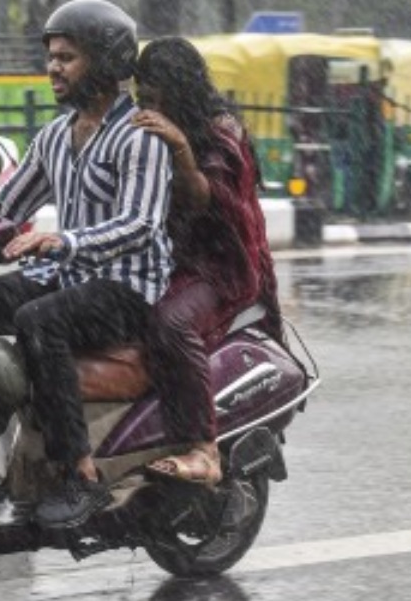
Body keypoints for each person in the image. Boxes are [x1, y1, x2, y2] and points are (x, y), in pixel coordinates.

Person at [0, 0, 173, 529]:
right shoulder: (54, 137)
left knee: (39, 320)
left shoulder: (139, 135)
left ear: (105, 62)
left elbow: (140, 225)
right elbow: (1, 208)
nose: (53, 68)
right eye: (51, 57)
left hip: (127, 287)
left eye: (67, 57)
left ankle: (79, 474)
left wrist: (61, 241)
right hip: (70, 276)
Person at [130, 36, 285, 486]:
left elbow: (208, 200)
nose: (147, 105)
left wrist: (180, 147)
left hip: (220, 266)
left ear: (179, 89)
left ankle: (203, 448)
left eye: (154, 95)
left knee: (171, 324)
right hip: (170, 258)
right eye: (141, 96)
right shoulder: (151, 126)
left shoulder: (220, 131)